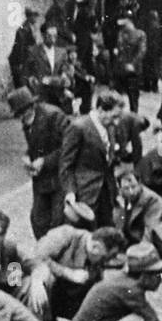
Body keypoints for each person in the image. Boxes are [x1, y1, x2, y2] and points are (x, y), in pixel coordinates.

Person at [27, 225, 126, 321]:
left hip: (66, 296)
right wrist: (68, 273)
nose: (106, 262)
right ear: (95, 247)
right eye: (105, 258)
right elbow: (37, 257)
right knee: (46, 275)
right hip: (44, 286)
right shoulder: (66, 234)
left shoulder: (95, 255)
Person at [11, 87, 73, 239]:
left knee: (58, 220)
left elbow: (70, 146)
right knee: (37, 220)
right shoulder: (27, 122)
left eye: (23, 112)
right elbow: (36, 147)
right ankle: (44, 251)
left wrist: (45, 161)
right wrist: (27, 157)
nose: (21, 118)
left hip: (60, 177)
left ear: (31, 106)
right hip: (41, 180)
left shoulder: (53, 116)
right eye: (18, 114)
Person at [60, 89, 115, 232]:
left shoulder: (109, 127)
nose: (116, 122)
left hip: (105, 192)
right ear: (101, 110)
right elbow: (66, 164)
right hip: (84, 194)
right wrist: (70, 192)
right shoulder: (78, 127)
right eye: (114, 117)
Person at [25, 23, 73, 111]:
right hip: (42, 93)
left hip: (58, 92)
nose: (53, 38)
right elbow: (28, 72)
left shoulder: (61, 52)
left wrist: (65, 74)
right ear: (43, 35)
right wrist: (32, 80)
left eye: (55, 35)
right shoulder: (33, 51)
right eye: (49, 36)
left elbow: (65, 67)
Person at [113, 12, 147, 113]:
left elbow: (142, 51)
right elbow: (119, 49)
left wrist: (133, 64)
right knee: (117, 97)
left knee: (133, 97)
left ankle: (133, 118)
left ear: (130, 21)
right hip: (121, 69)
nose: (122, 26)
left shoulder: (140, 34)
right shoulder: (121, 33)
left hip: (133, 70)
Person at [8, 7, 40, 89]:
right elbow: (20, 48)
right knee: (21, 85)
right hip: (18, 61)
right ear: (29, 17)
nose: (37, 17)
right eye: (34, 15)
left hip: (25, 60)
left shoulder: (32, 27)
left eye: (37, 15)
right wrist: (21, 64)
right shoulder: (23, 30)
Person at [141, 8, 162, 93]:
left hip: (149, 50)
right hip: (156, 51)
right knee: (155, 69)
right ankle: (154, 86)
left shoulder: (146, 27)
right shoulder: (160, 27)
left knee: (147, 68)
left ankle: (147, 86)